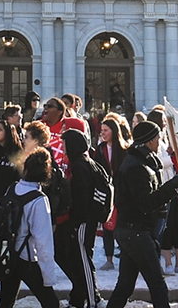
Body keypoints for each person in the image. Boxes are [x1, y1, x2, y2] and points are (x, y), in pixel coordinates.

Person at [105, 121, 178, 308]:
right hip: (135, 232)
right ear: (150, 140)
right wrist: (172, 186)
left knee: (125, 286)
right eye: (158, 137)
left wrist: (171, 186)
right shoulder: (136, 167)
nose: (160, 141)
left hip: (131, 230)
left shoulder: (140, 161)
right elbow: (145, 203)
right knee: (157, 285)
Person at [0, 149, 62, 308]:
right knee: (51, 302)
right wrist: (48, 277)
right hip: (26, 257)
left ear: (25, 169)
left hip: (9, 253)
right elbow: (43, 241)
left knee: (6, 301)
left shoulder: (12, 188)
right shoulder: (38, 200)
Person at [59, 128, 104, 308]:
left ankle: (95, 301)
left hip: (84, 221)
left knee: (84, 260)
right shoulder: (85, 162)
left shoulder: (79, 165)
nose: (62, 148)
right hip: (85, 220)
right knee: (78, 260)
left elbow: (82, 198)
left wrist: (77, 222)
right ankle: (78, 300)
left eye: (65, 144)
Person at [93, 115, 129, 271]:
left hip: (121, 192)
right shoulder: (100, 150)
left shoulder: (124, 149)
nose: (103, 133)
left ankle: (124, 254)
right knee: (107, 225)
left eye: (106, 130)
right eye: (102, 130)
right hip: (107, 192)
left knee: (121, 224)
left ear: (114, 131)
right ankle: (109, 259)